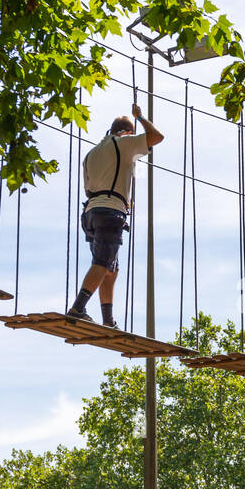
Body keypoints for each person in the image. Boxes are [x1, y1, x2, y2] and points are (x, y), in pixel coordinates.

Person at [67, 102, 164, 328]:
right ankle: (77, 308)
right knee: (102, 264)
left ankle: (108, 320)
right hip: (111, 212)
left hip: (91, 213)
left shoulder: (91, 154)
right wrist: (139, 117)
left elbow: (88, 189)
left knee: (110, 269)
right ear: (128, 133)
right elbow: (156, 137)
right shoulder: (124, 143)